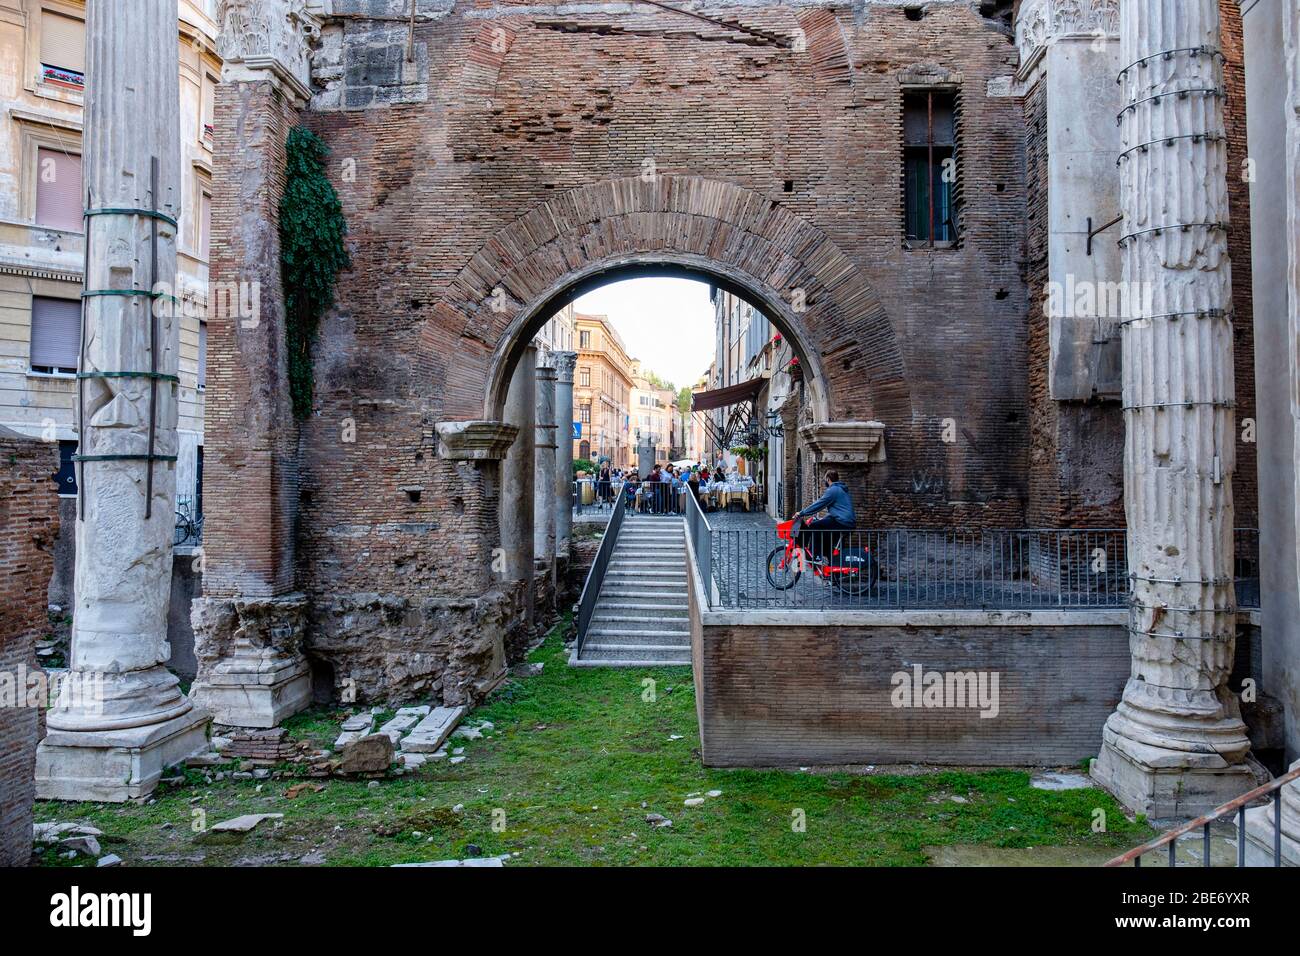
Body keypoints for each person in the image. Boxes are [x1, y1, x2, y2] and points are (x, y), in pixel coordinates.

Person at [793, 470, 856, 563]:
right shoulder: (840, 489)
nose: (825, 482)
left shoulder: (833, 490)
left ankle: (816, 555)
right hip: (846, 522)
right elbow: (838, 510)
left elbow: (819, 504)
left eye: (825, 480)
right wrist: (825, 519)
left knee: (815, 526)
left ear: (828, 479)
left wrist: (802, 513)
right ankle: (832, 569)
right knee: (827, 540)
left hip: (843, 522)